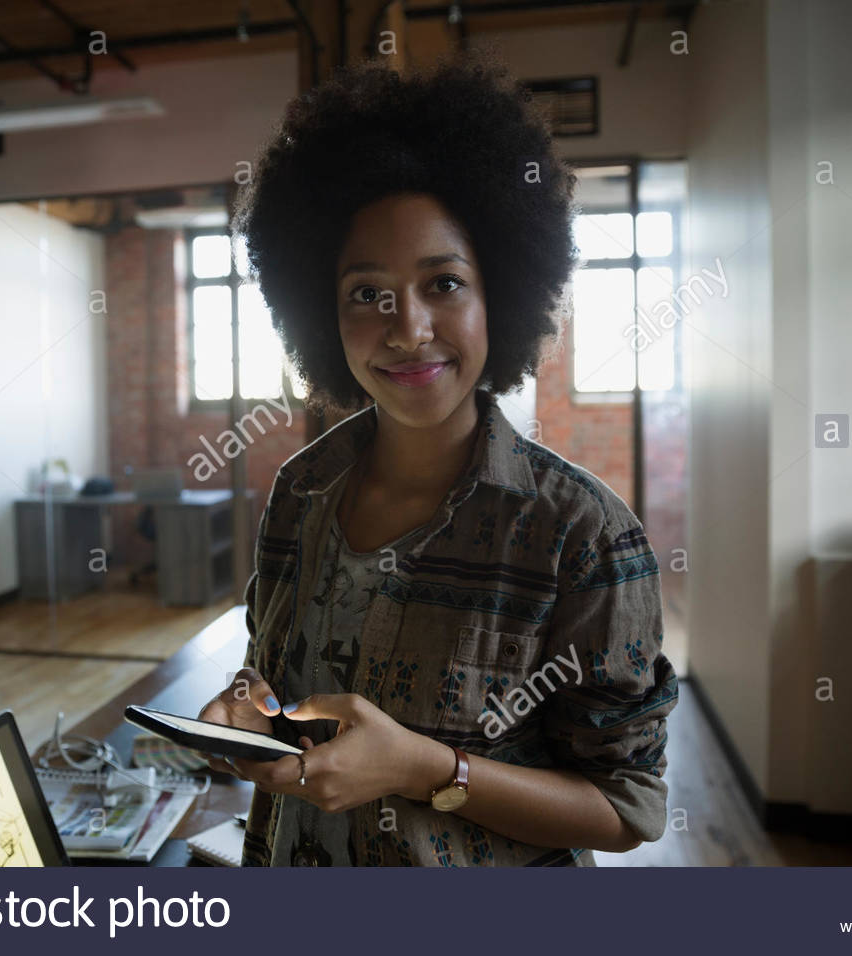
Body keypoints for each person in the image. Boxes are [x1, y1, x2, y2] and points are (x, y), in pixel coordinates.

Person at [197, 57, 679, 866]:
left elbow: (627, 810)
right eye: (366, 292)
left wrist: (431, 769)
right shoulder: (301, 491)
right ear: (320, 309)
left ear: (502, 296)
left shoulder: (580, 534)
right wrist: (244, 712)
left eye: (444, 283)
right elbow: (270, 676)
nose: (407, 327)